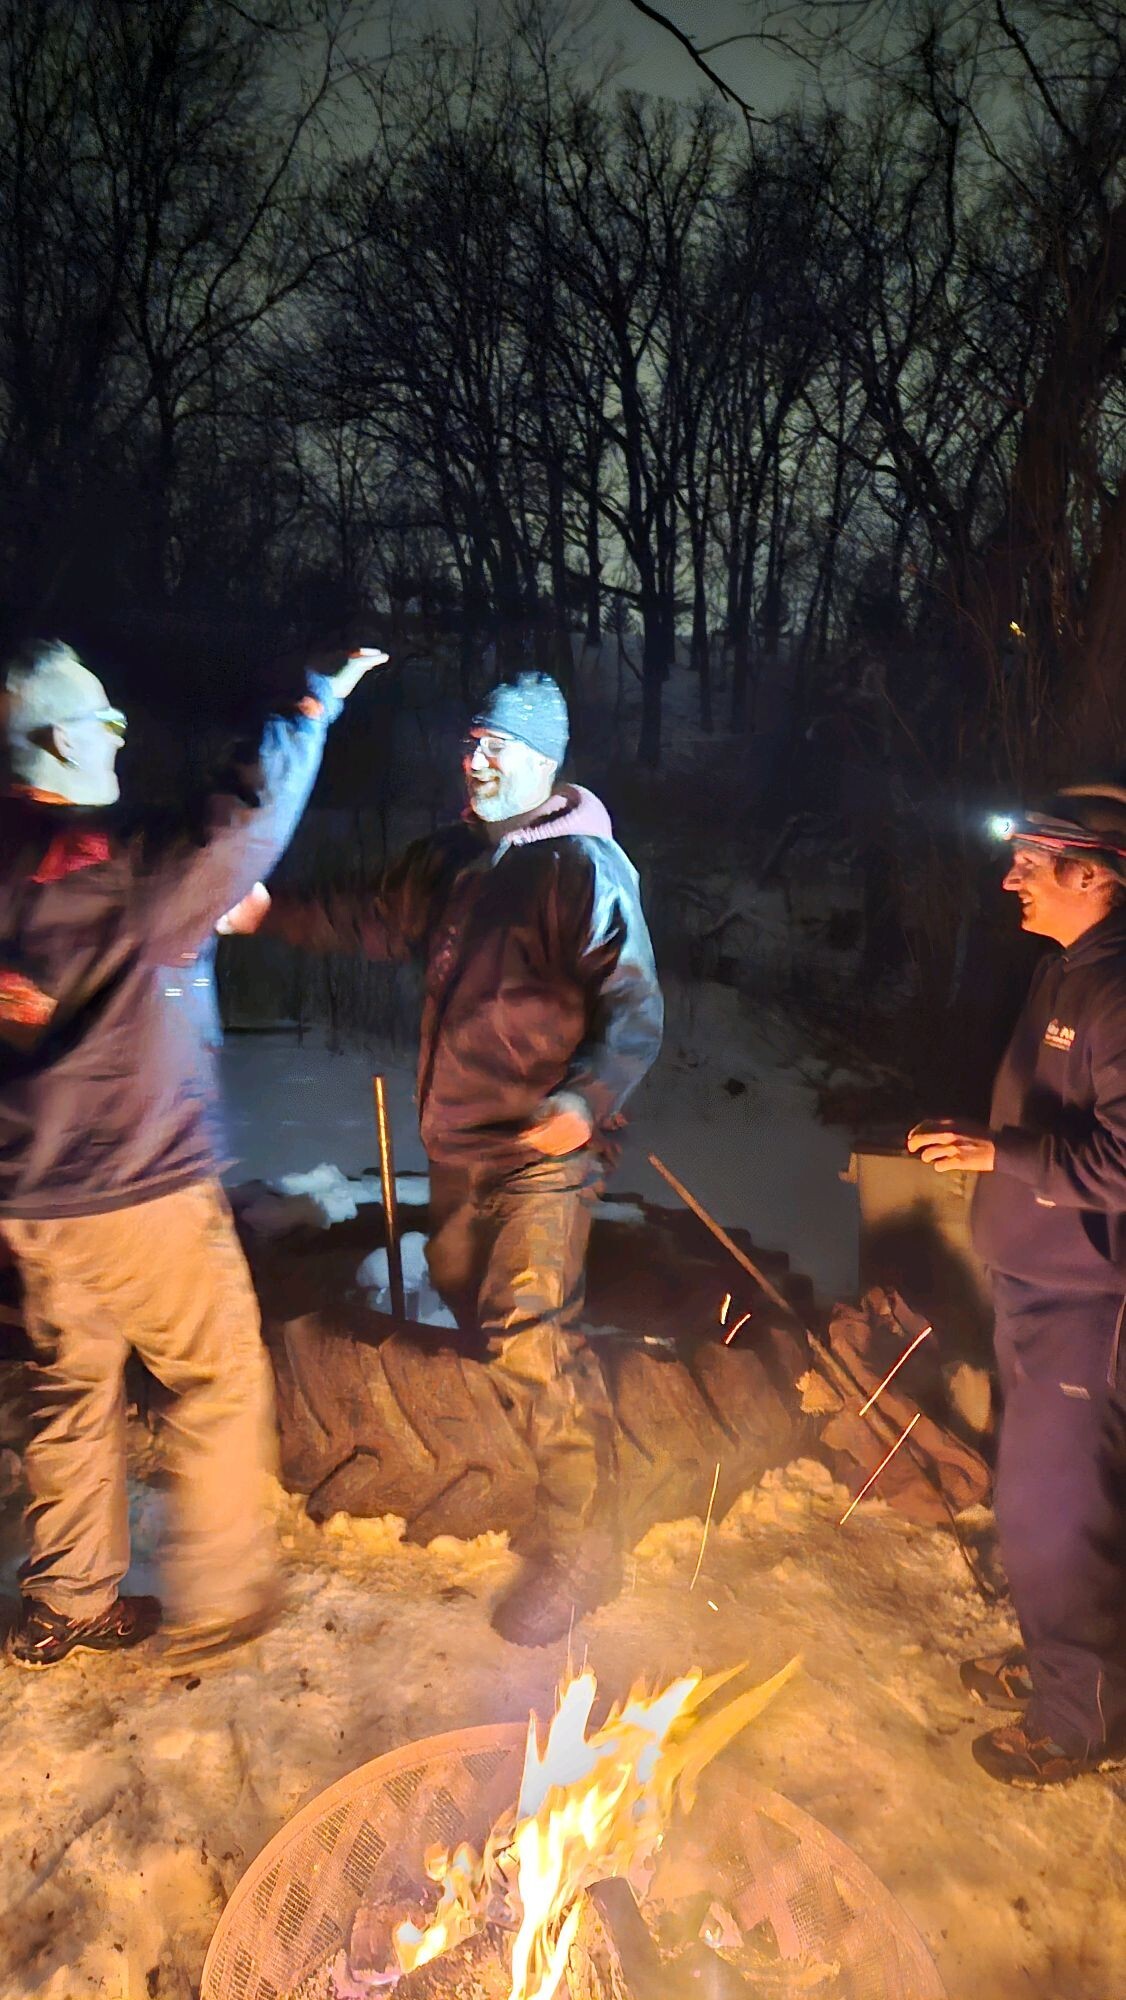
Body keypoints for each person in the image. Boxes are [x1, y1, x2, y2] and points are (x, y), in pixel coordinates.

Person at [226, 670, 663, 1646]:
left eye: (498, 745)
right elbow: (364, 916)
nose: (477, 759)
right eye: (472, 741)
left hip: (547, 1149)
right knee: (467, 1292)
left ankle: (581, 1540)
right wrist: (267, 912)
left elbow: (635, 1007)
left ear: (544, 761)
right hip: (461, 1143)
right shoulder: (453, 860)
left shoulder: (585, 869)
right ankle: (535, 1456)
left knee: (526, 1324)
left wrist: (580, 1099)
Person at [0, 635, 386, 1668]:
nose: (120, 741)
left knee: (71, 1387)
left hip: (31, 1193)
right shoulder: (112, 863)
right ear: (58, 738)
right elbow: (240, 829)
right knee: (218, 1378)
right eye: (106, 724)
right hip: (135, 1184)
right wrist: (308, 710)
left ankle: (68, 1595)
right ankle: (222, 1600)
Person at [908, 785, 1126, 1785]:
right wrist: (989, 1146)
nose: (1009, 880)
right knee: (1043, 1499)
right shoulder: (1066, 971)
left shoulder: (1118, 988)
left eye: (1031, 863)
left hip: (1088, 1299)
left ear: (1097, 872)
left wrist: (1001, 1153)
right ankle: (1064, 1671)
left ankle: (1072, 1717)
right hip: (1035, 1281)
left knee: (1054, 1507)